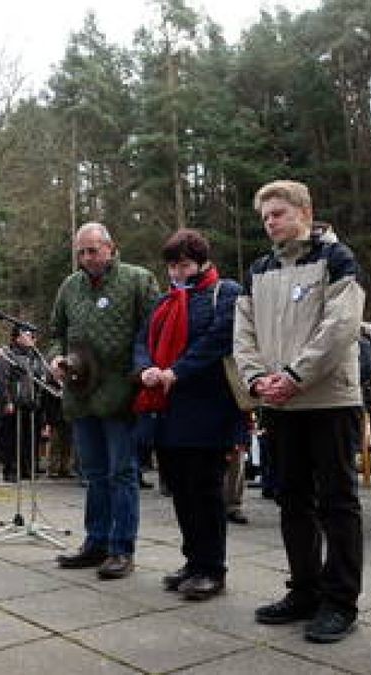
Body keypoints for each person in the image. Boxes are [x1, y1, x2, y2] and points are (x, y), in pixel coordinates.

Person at [233, 181, 366, 643]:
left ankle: (341, 601)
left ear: (305, 212)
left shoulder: (337, 258)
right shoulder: (258, 269)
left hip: (328, 399)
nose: (270, 221)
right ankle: (304, 589)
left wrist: (294, 375)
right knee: (291, 500)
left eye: (279, 212)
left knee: (337, 501)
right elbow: (243, 334)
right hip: (278, 404)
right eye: (265, 215)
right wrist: (255, 381)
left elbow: (342, 325)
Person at [133, 228, 245, 601]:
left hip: (208, 409)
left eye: (183, 264)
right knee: (180, 489)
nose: (177, 273)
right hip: (167, 412)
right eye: (172, 266)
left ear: (201, 261)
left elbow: (217, 339)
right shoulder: (164, 302)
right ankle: (192, 559)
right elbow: (142, 341)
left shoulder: (224, 293)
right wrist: (146, 368)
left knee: (206, 491)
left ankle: (212, 568)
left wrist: (176, 371)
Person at [49, 222, 160, 580]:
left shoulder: (138, 280)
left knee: (122, 473)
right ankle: (95, 542)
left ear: (111, 248)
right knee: (93, 474)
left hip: (121, 393)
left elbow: (152, 333)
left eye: (92, 250)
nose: (86, 258)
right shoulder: (70, 286)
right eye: (80, 251)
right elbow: (56, 333)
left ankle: (121, 548)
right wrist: (56, 358)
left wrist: (141, 376)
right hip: (80, 394)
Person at [0, 326, 50, 482]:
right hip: (15, 402)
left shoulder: (37, 357)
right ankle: (11, 470)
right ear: (18, 338)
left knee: (30, 438)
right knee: (12, 438)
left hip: (32, 403)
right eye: (27, 336)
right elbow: (2, 380)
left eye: (32, 336)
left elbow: (42, 380)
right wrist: (7, 400)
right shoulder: (9, 355)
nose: (31, 339)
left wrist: (39, 399)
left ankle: (27, 468)